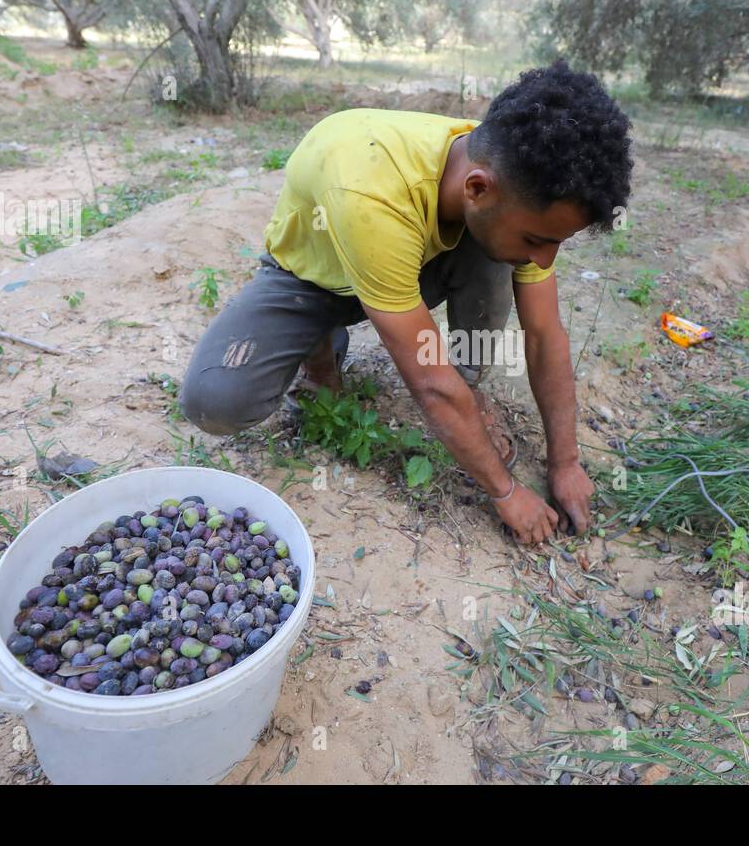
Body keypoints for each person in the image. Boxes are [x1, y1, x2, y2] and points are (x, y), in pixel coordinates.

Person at [179, 59, 633, 545]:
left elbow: (545, 336)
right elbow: (427, 382)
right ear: (476, 188)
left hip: (411, 263)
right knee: (215, 402)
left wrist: (565, 462)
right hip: (311, 278)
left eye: (556, 242)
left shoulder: (511, 174)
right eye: (539, 238)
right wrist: (506, 493)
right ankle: (318, 346)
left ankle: (470, 387)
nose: (544, 258)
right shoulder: (373, 196)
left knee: (499, 253)